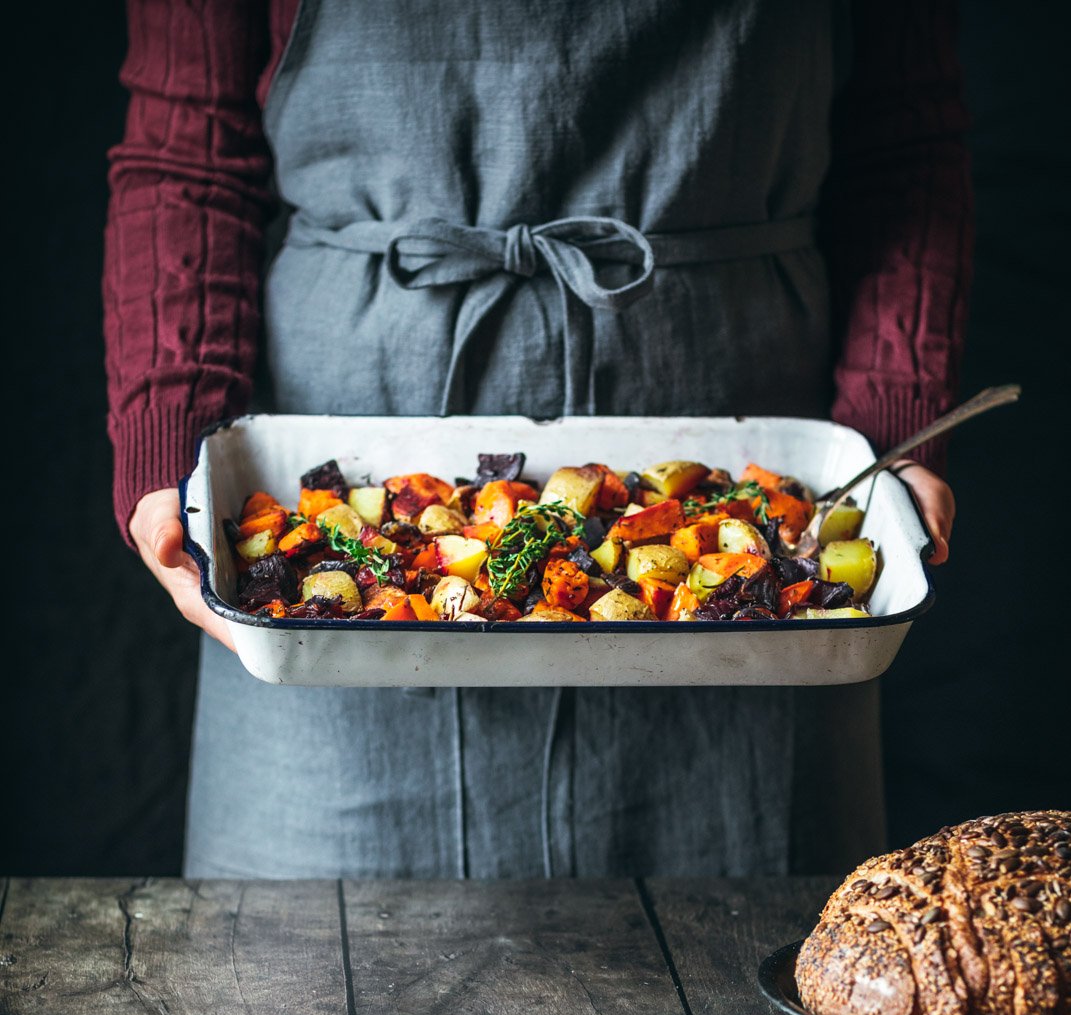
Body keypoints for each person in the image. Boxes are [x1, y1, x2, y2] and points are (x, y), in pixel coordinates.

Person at [105, 0, 969, 880]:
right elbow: (187, 151)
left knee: (755, 943)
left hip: (730, 390)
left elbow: (903, 136)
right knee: (314, 959)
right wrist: (174, 447)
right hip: (353, 399)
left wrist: (893, 424)